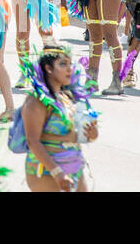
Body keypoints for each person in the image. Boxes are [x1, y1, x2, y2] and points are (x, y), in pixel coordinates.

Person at [21, 45, 98, 192]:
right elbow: (32, 141)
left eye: (70, 64)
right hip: (46, 172)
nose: (69, 69)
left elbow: (72, 135)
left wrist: (91, 134)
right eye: (63, 64)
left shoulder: (66, 98)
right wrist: (57, 173)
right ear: (48, 68)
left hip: (74, 169)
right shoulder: (36, 101)